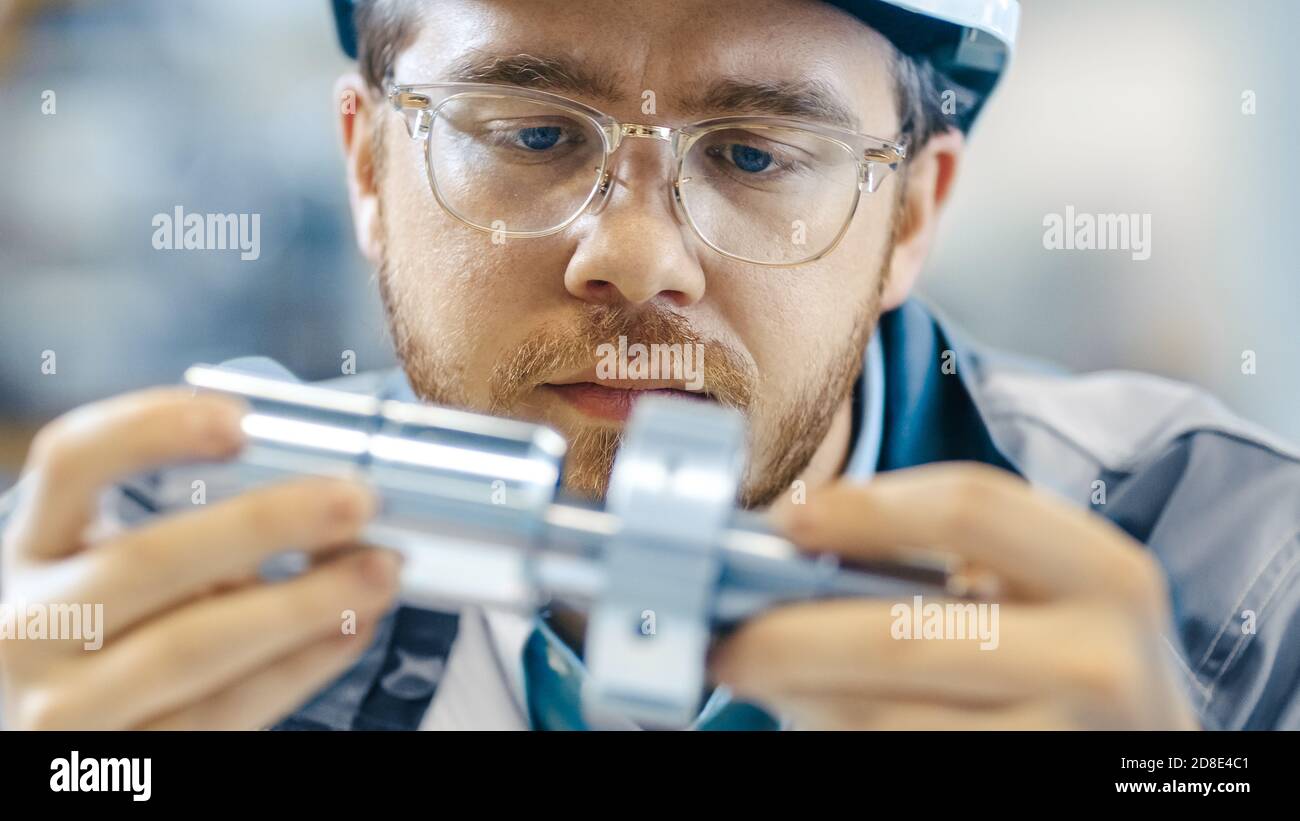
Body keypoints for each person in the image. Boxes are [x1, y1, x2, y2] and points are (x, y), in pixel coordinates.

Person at [1, 0, 1296, 731]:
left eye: (752, 154)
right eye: (530, 131)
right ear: (367, 171)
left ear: (911, 218)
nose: (633, 256)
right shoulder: (121, 588)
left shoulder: (1236, 568)